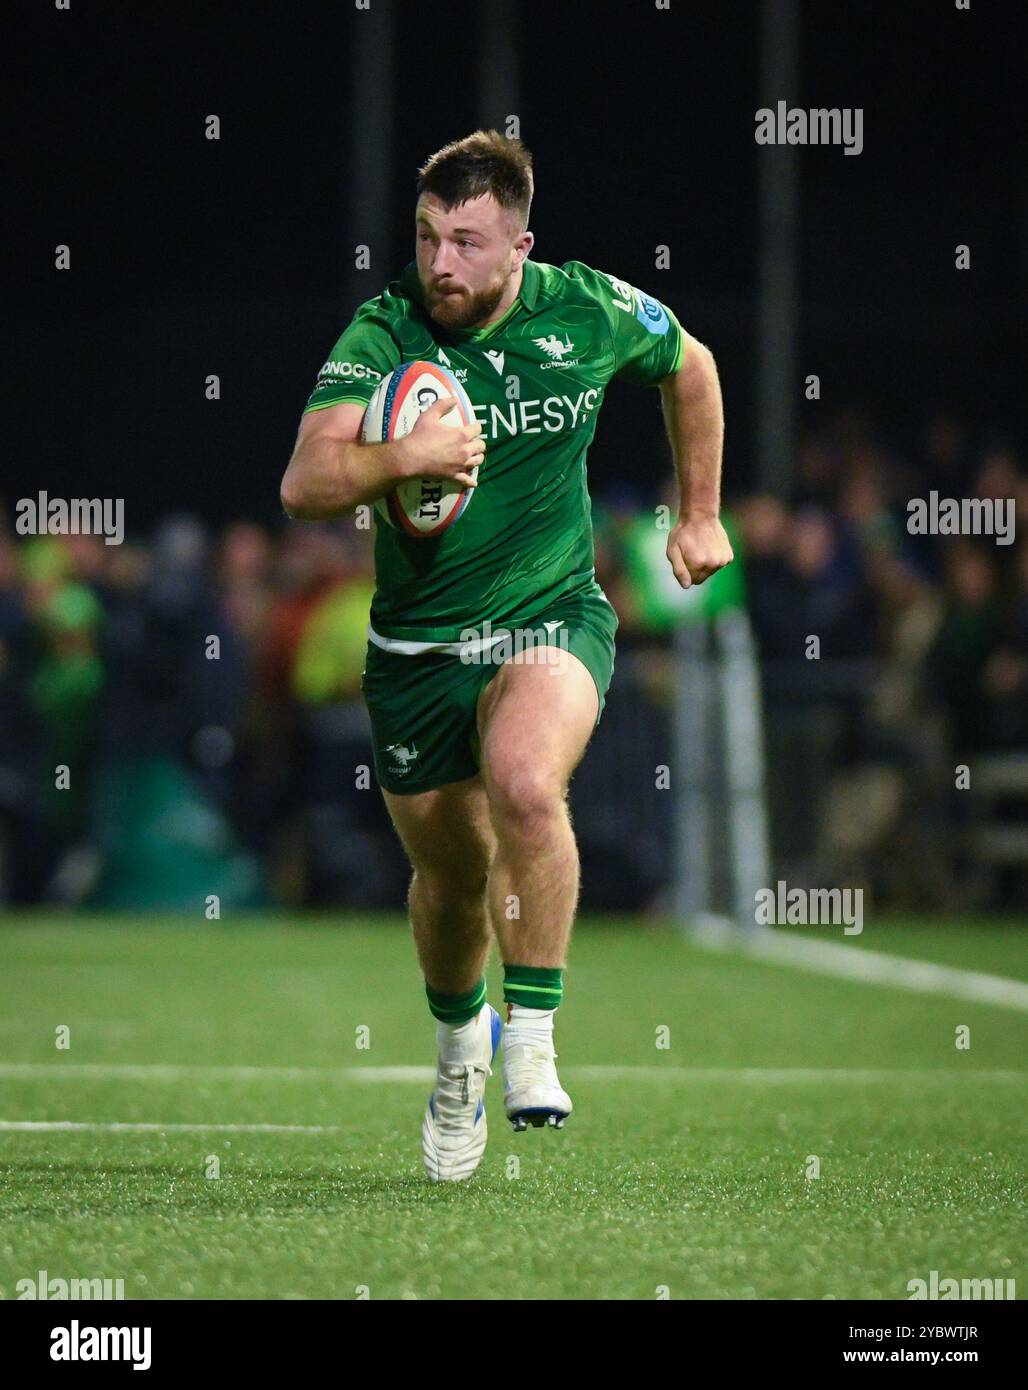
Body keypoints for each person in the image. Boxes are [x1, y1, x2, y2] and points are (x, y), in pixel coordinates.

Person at [280, 130, 732, 1180]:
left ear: (520, 244)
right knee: (449, 880)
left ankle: (530, 1035)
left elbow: (692, 366)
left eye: (469, 242)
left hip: (550, 616)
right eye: (429, 236)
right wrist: (405, 456)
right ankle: (456, 1055)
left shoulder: (588, 307)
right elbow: (305, 484)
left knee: (528, 785)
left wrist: (699, 513)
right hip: (415, 649)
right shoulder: (386, 326)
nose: (442, 263)